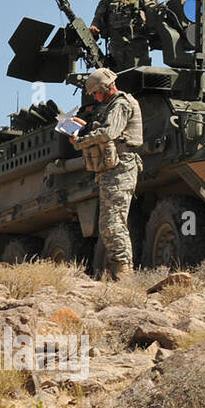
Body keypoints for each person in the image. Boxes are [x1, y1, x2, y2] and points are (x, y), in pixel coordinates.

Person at [72, 67, 143, 279]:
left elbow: (109, 132)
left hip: (121, 168)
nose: (94, 96)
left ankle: (124, 274)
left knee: (113, 224)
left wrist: (80, 141)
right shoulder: (110, 106)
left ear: (104, 87)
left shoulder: (120, 104)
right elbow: (105, 130)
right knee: (107, 224)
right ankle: (119, 272)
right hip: (112, 170)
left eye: (95, 92)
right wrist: (83, 128)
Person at [89, 0, 158, 70]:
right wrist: (94, 29)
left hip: (137, 53)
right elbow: (97, 20)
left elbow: (155, 18)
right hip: (116, 54)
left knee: (137, 83)